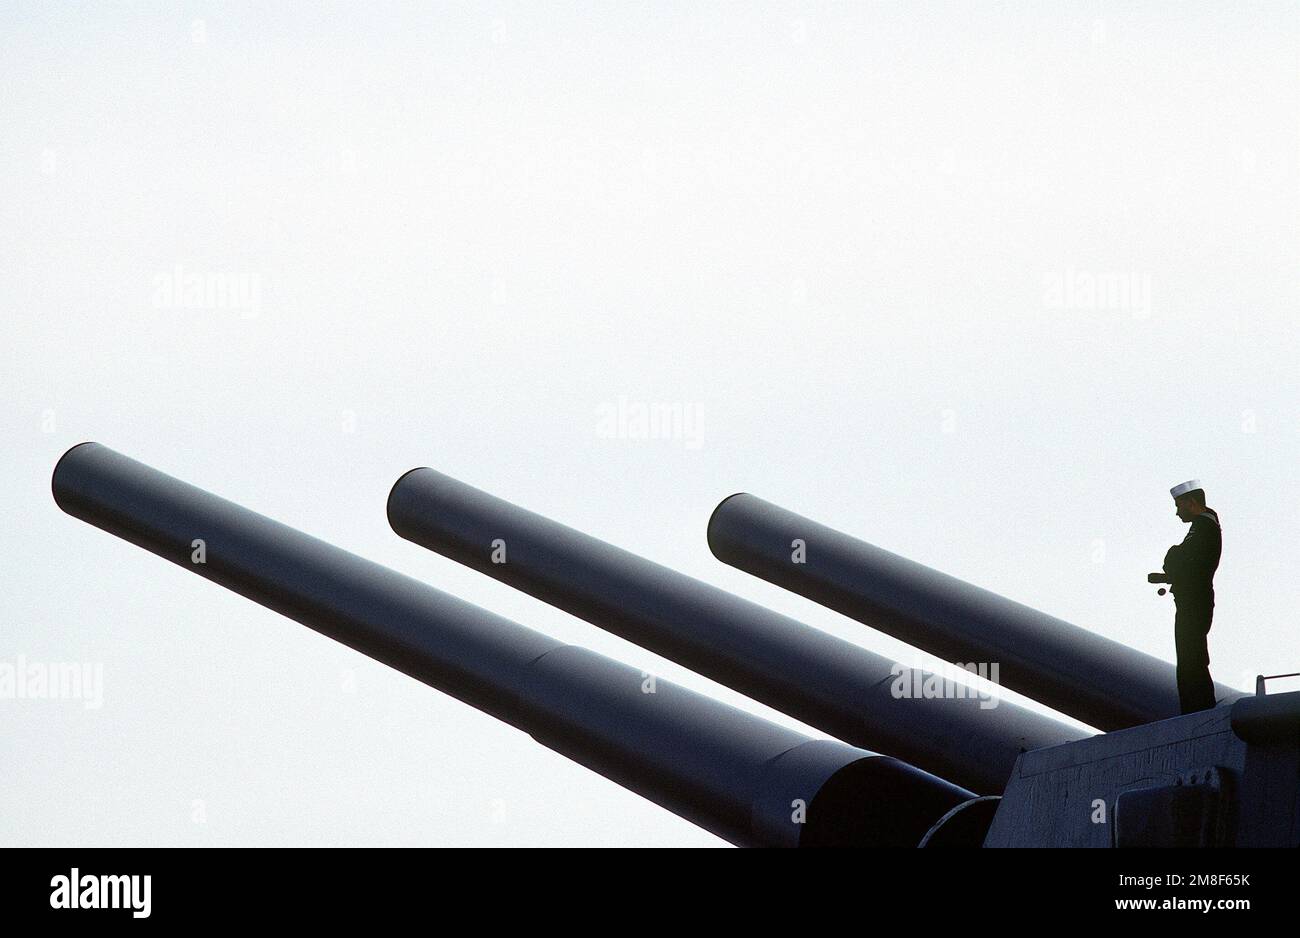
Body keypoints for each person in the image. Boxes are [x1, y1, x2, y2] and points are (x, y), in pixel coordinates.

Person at [1148, 480, 1221, 714]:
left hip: (1193, 602)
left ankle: (1196, 709)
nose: (1177, 512)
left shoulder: (1203, 527)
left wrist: (1172, 557)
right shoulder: (1205, 526)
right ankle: (1197, 706)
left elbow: (1184, 561)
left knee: (1191, 658)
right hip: (1196, 599)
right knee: (1193, 655)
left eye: (1179, 506)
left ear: (1191, 503)